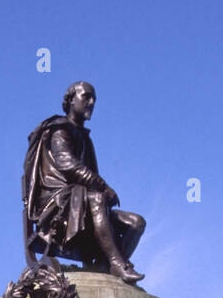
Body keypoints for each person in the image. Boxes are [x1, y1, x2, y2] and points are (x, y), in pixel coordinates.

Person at [23, 82, 145, 283]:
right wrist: (103, 186)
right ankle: (117, 263)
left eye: (94, 99)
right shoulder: (59, 130)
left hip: (83, 204)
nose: (91, 103)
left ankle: (105, 268)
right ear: (71, 100)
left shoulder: (86, 139)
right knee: (97, 198)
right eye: (86, 97)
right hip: (57, 203)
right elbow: (68, 165)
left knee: (136, 223)